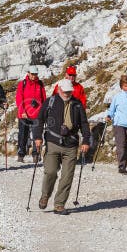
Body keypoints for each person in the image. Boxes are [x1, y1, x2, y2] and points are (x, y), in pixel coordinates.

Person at [34, 79, 91, 215]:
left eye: (69, 91)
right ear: (59, 89)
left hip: (71, 145)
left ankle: (59, 204)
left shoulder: (77, 104)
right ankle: (45, 195)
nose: (67, 93)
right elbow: (39, 119)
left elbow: (84, 123)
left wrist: (86, 141)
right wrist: (37, 137)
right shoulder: (51, 101)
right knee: (51, 172)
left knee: (67, 176)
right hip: (52, 143)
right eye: (65, 91)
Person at [106, 75, 127, 173]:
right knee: (121, 145)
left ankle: (124, 165)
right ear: (121, 86)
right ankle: (121, 166)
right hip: (119, 124)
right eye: (125, 86)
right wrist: (109, 115)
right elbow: (111, 109)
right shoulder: (117, 97)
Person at [15, 66, 46, 163]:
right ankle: (21, 154)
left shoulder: (40, 84)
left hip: (37, 114)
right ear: (28, 73)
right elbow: (19, 99)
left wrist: (44, 111)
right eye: (32, 74)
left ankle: (36, 154)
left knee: (37, 135)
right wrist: (22, 111)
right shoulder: (22, 84)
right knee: (23, 134)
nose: (34, 76)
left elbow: (44, 98)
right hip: (24, 114)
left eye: (35, 74)